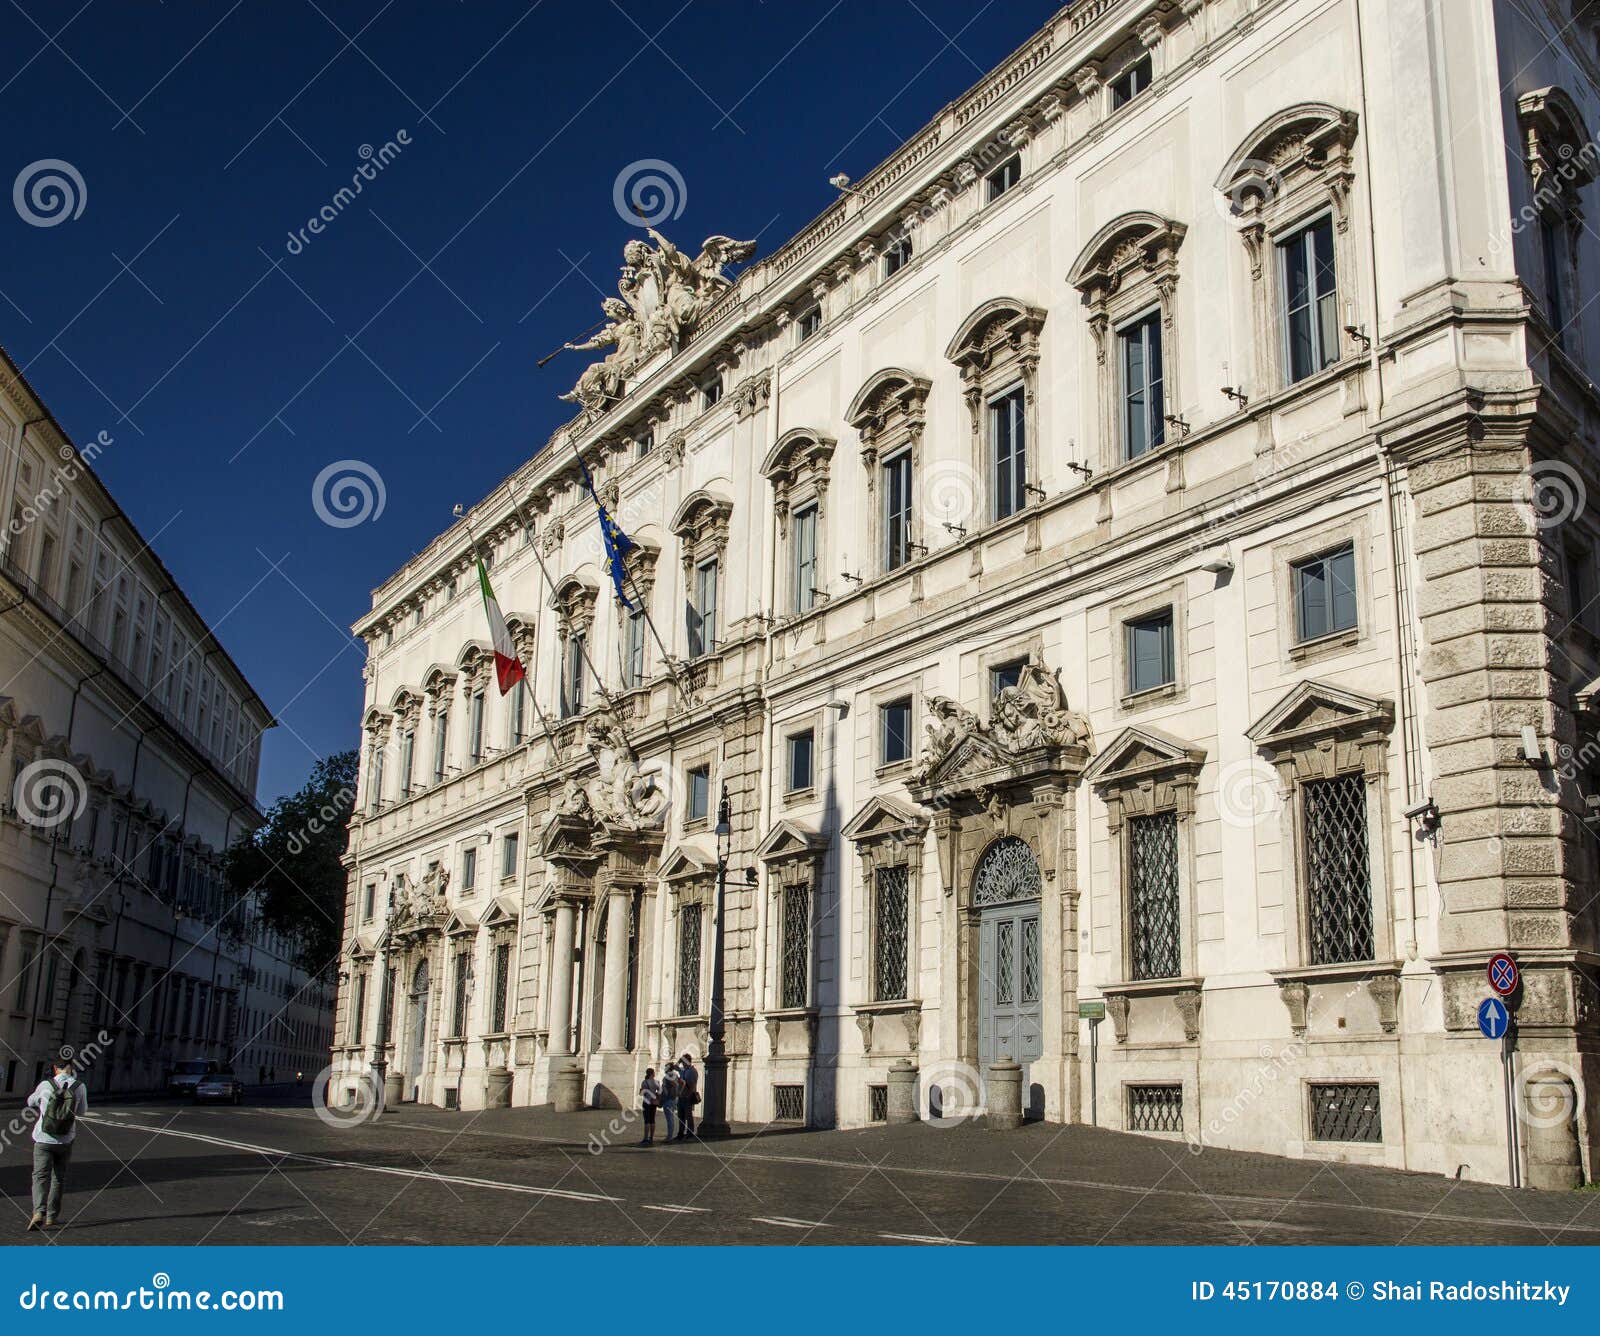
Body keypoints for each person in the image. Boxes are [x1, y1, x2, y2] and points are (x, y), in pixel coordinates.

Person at [26, 1059, 87, 1231]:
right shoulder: (79, 1086)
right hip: (66, 1139)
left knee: (40, 1176)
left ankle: (38, 1212)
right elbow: (82, 1111)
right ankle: (52, 1216)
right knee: (58, 1178)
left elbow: (30, 1102)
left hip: (43, 1138)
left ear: (55, 1068)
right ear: (72, 1069)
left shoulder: (45, 1084)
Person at [677, 1053, 699, 1140]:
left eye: (683, 1062)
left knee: (688, 1115)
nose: (682, 1064)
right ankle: (680, 1133)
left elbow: (692, 1085)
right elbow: (675, 1067)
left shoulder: (692, 1071)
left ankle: (690, 1132)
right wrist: (679, 1060)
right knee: (681, 1115)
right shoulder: (683, 1070)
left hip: (688, 1096)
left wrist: (688, 1094)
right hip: (681, 1096)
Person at [659, 1062, 681, 1142]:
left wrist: (663, 1097)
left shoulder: (667, 1077)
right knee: (671, 1117)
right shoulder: (676, 1075)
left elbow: (664, 1090)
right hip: (674, 1098)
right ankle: (670, 1135)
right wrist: (678, 1093)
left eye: (665, 1067)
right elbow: (682, 1083)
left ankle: (669, 1136)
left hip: (668, 1099)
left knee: (669, 1118)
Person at [638, 1068, 660, 1146]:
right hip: (653, 1103)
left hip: (646, 1102)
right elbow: (660, 1092)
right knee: (652, 1120)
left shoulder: (644, 1082)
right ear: (652, 1074)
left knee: (647, 1121)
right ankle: (651, 1137)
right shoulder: (657, 1082)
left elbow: (641, 1093)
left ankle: (645, 1138)